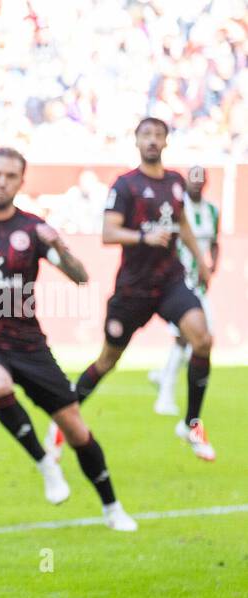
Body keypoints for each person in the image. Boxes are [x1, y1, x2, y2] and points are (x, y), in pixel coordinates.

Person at [0, 149, 137, 531]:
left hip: (27, 343)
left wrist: (59, 246)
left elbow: (80, 277)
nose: (2, 181)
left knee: (76, 428)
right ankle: (45, 462)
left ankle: (112, 507)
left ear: (20, 182)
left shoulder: (33, 228)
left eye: (11, 176)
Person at [54, 118, 214, 462]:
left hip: (170, 281)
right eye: (147, 135)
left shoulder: (174, 182)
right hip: (134, 288)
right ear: (137, 141)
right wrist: (143, 236)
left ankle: (192, 424)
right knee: (108, 360)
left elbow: (182, 221)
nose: (153, 141)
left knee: (202, 338)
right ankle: (63, 419)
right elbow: (108, 233)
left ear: (166, 142)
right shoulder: (126, 186)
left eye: (159, 135)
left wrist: (200, 258)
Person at [149, 164, 219, 417]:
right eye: (193, 179)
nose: (197, 184)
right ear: (186, 182)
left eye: (201, 180)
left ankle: (164, 380)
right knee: (187, 336)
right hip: (178, 281)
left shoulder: (212, 210)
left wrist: (211, 268)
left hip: (198, 282)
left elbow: (214, 243)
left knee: (199, 338)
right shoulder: (177, 209)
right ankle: (165, 392)